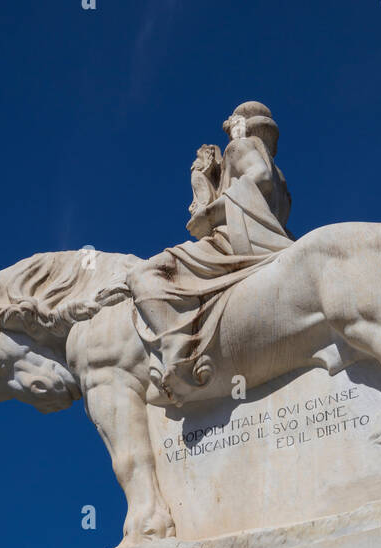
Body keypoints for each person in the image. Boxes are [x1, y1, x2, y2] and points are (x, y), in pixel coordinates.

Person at [126, 101, 294, 404]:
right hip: (271, 240)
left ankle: (179, 358)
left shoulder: (239, 147)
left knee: (146, 273)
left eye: (231, 121)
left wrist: (210, 215)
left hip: (234, 243)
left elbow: (259, 178)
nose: (227, 126)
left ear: (241, 125)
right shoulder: (281, 175)